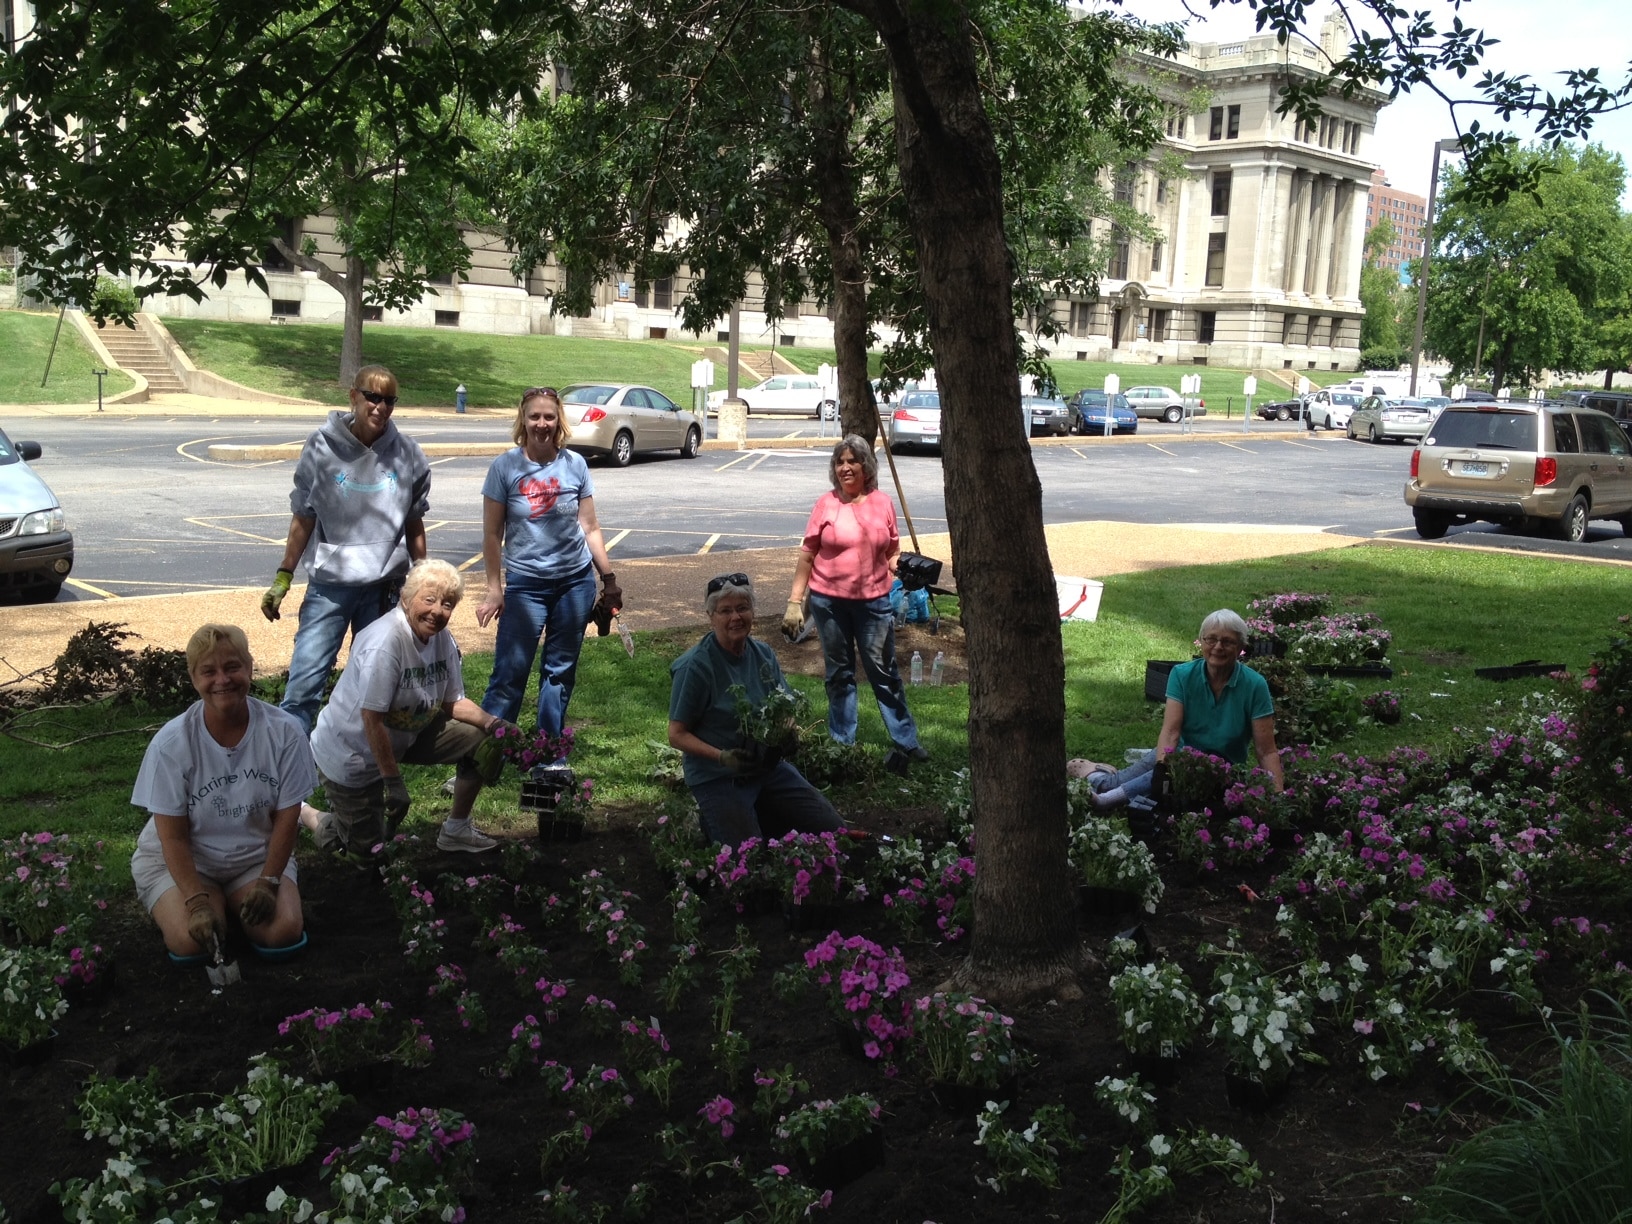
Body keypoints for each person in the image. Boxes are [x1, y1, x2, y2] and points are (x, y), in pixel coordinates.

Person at [260, 365, 431, 732]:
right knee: (304, 686)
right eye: (372, 396)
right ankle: (291, 778)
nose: (380, 406)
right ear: (353, 396)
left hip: (383, 586)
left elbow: (414, 520)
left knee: (373, 688)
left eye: (389, 400)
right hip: (331, 587)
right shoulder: (321, 447)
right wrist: (283, 576)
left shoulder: (408, 453)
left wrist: (425, 576)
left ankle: (357, 769)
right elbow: (303, 514)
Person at [130, 624, 315, 961]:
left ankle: (237, 903)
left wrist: (269, 881)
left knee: (283, 931)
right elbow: (172, 839)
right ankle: (204, 902)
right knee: (191, 943)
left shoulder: (285, 733)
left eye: (232, 667)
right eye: (208, 671)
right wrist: (197, 902)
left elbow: (288, 816)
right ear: (193, 677)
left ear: (249, 666)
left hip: (254, 858)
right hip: (186, 863)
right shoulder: (171, 745)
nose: (222, 680)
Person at [306, 559, 509, 855]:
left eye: (447, 604)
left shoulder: (441, 638)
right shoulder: (385, 643)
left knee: (482, 739)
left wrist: (494, 724)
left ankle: (456, 830)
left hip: (406, 734)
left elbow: (452, 702)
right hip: (352, 753)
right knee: (365, 855)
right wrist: (394, 782)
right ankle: (309, 816)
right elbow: (371, 720)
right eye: (429, 600)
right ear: (405, 598)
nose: (437, 611)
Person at [476, 387, 621, 772]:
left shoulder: (575, 465)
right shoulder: (504, 468)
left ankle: (548, 754)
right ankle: (481, 758)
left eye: (549, 417)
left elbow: (589, 527)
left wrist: (608, 578)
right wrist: (495, 589)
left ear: (560, 422)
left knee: (559, 672)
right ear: (522, 421)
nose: (542, 424)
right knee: (510, 673)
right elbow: (492, 535)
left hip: (574, 584)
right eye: (535, 417)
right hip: (526, 586)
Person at [783, 435, 927, 771]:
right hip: (829, 602)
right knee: (839, 674)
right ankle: (841, 742)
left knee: (884, 671)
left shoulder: (882, 503)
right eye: (840, 462)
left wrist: (905, 568)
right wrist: (794, 602)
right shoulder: (826, 504)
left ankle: (906, 740)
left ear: (866, 467)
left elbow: (890, 552)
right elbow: (807, 556)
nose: (846, 467)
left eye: (853, 461)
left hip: (874, 603)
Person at [669, 573, 843, 849]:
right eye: (725, 611)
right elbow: (677, 735)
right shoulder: (695, 667)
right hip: (719, 776)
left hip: (765, 766)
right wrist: (723, 757)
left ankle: (762, 813)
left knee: (832, 829)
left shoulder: (762, 654)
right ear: (711, 616)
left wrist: (787, 731)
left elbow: (785, 706)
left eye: (742, 608)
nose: (735, 617)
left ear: (753, 612)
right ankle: (712, 821)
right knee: (747, 858)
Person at [1077, 609, 1284, 809]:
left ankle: (1107, 801)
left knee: (1172, 775)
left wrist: (1277, 797)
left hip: (1222, 768)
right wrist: (1161, 766)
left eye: (1227, 641)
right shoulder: (1182, 675)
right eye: (1211, 639)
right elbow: (1171, 731)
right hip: (1176, 751)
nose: (1218, 647)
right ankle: (1094, 772)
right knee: (1111, 784)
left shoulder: (1255, 685)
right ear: (1201, 641)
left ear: (1240, 647)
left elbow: (1266, 751)